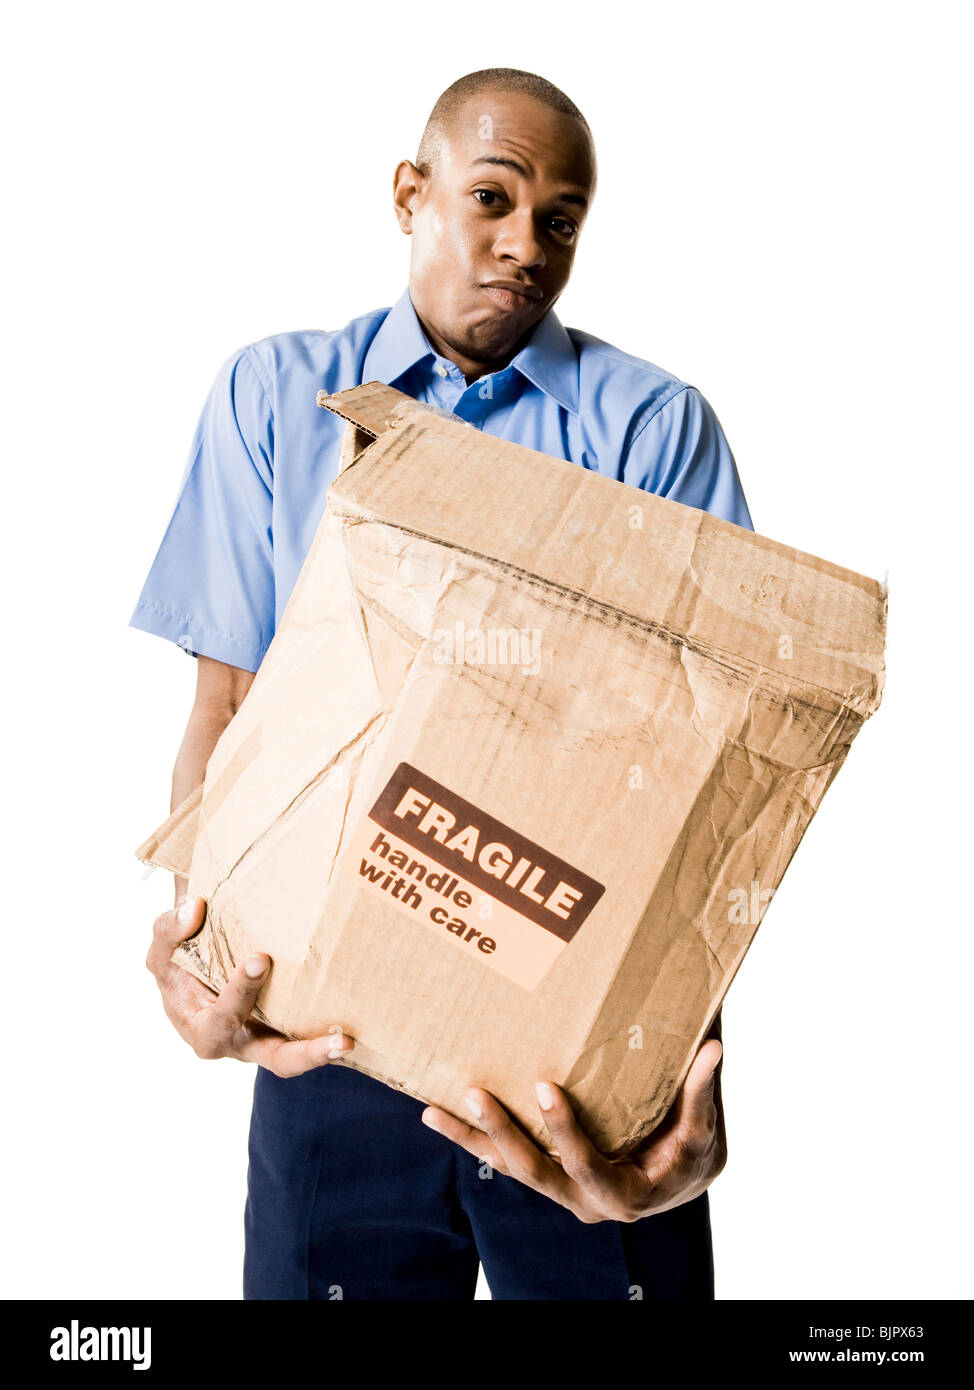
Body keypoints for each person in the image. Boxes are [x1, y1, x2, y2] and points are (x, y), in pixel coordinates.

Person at [134, 68, 754, 1301]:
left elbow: (711, 801)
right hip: (334, 1037)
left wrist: (686, 1071)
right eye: (492, 199)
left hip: (573, 1064)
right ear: (410, 194)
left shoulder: (653, 430)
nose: (527, 246)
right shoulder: (277, 399)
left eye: (561, 220)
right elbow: (227, 711)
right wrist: (198, 958)